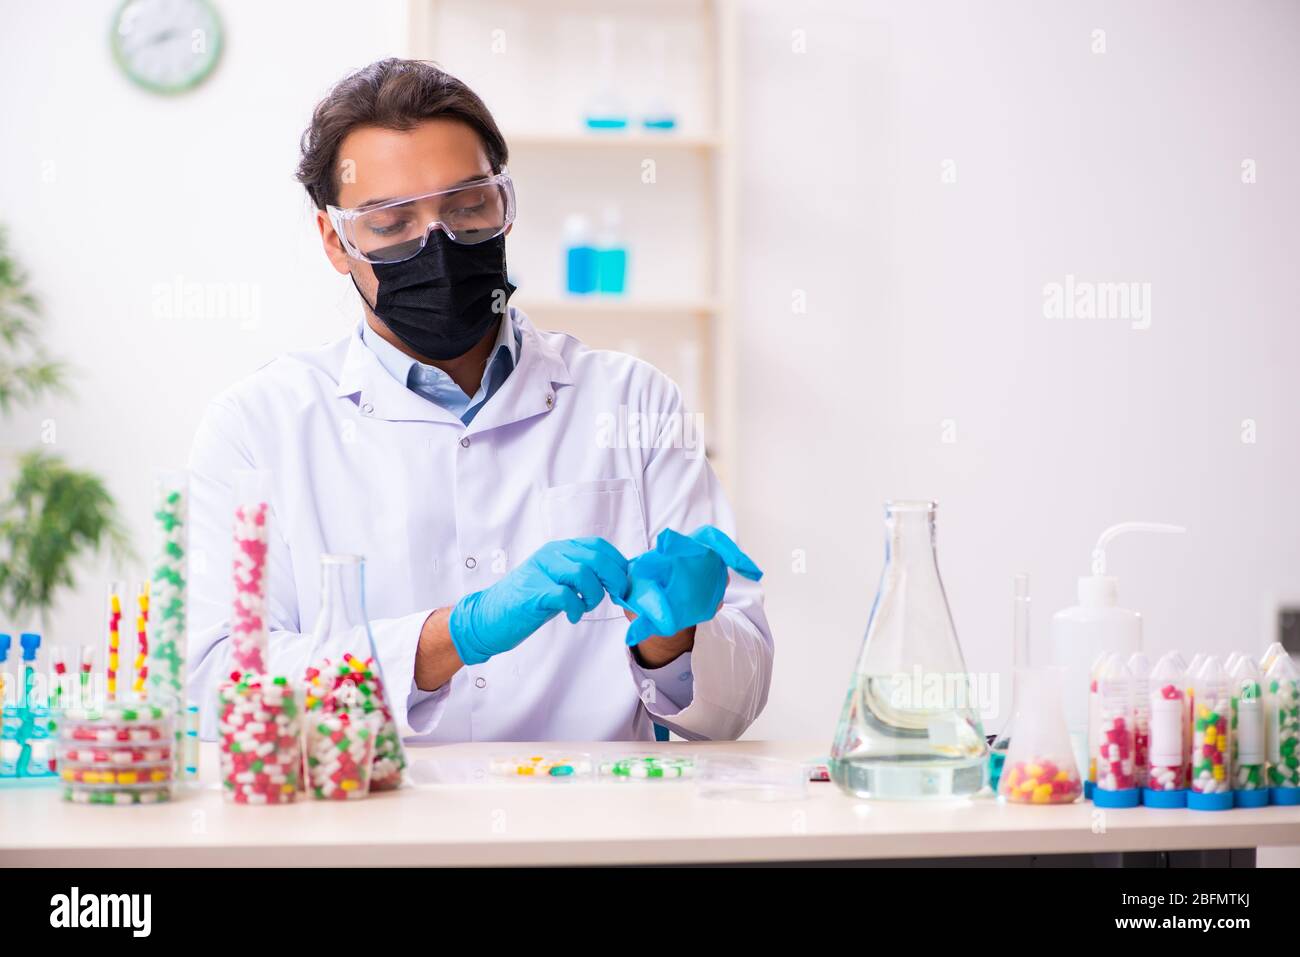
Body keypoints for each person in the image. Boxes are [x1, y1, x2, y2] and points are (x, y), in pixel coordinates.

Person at [188, 58, 772, 743]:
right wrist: (450, 637)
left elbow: (739, 703)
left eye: (467, 209)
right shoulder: (259, 427)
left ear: (504, 207)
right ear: (335, 241)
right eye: (391, 223)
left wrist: (674, 640)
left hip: (592, 834)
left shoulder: (632, 399)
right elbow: (216, 684)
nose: (437, 246)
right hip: (366, 834)